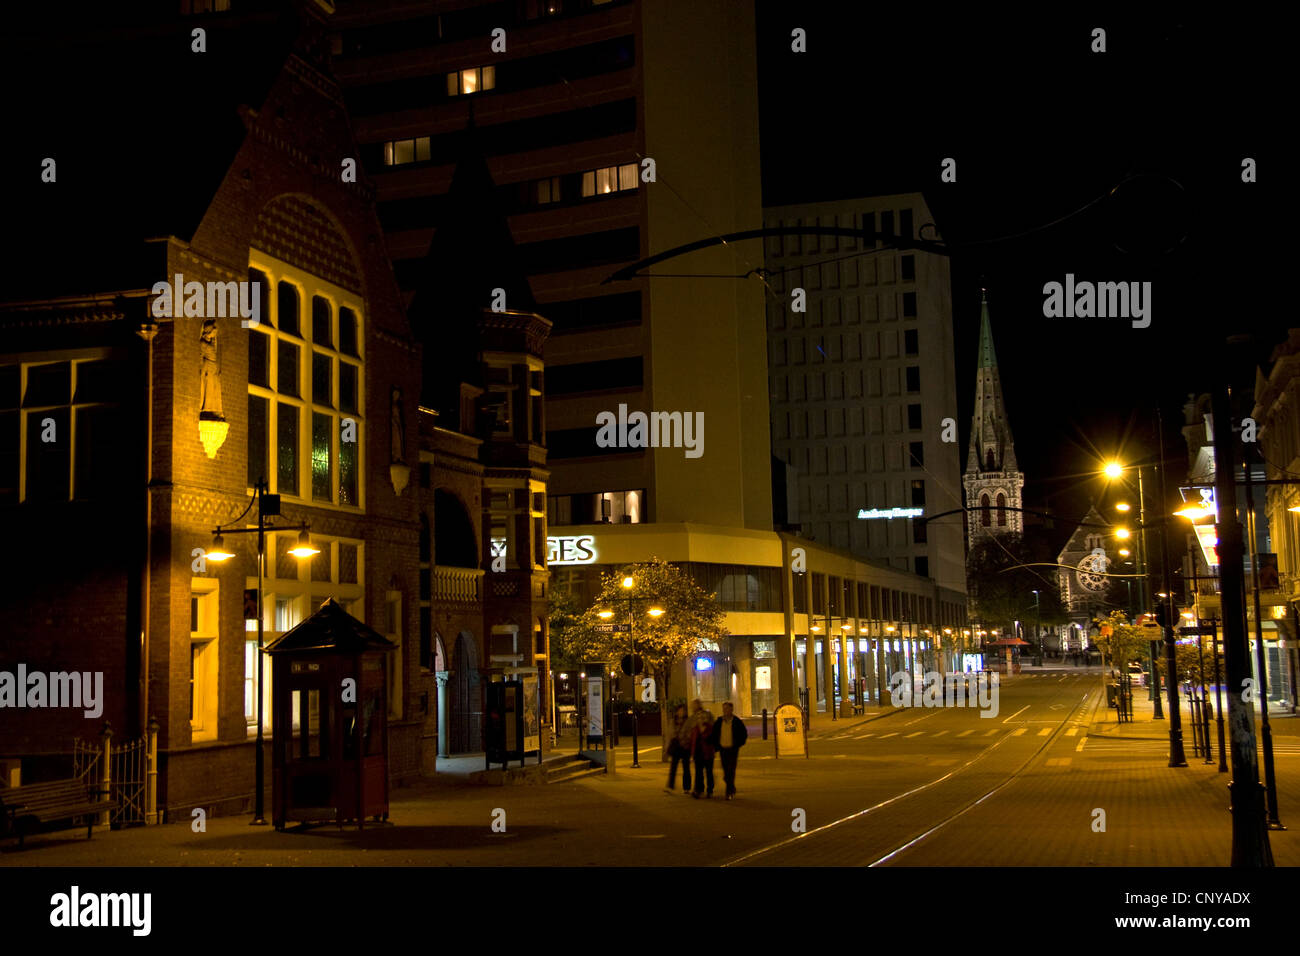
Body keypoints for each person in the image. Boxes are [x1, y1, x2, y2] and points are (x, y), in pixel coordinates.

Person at [709, 701, 748, 800]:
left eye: (727, 708)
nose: (725, 710)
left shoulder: (736, 721)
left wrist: (739, 744)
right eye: (724, 709)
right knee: (726, 771)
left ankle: (729, 792)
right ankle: (731, 786)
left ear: (731, 709)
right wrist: (714, 746)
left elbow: (743, 734)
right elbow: (714, 734)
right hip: (723, 749)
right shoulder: (719, 721)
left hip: (732, 749)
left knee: (731, 770)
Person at [687, 699, 715, 799]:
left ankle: (708, 790)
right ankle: (700, 790)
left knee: (708, 771)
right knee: (699, 771)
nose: (700, 719)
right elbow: (691, 737)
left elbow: (710, 736)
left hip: (706, 750)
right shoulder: (694, 725)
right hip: (699, 750)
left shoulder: (708, 727)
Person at [665, 703, 692, 793]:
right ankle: (670, 786)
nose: (681, 712)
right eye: (679, 710)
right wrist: (667, 747)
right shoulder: (673, 721)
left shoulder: (687, 721)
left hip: (685, 747)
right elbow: (669, 735)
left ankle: (687, 787)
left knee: (686, 768)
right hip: (676, 746)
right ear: (677, 712)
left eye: (683, 710)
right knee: (673, 767)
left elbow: (690, 733)